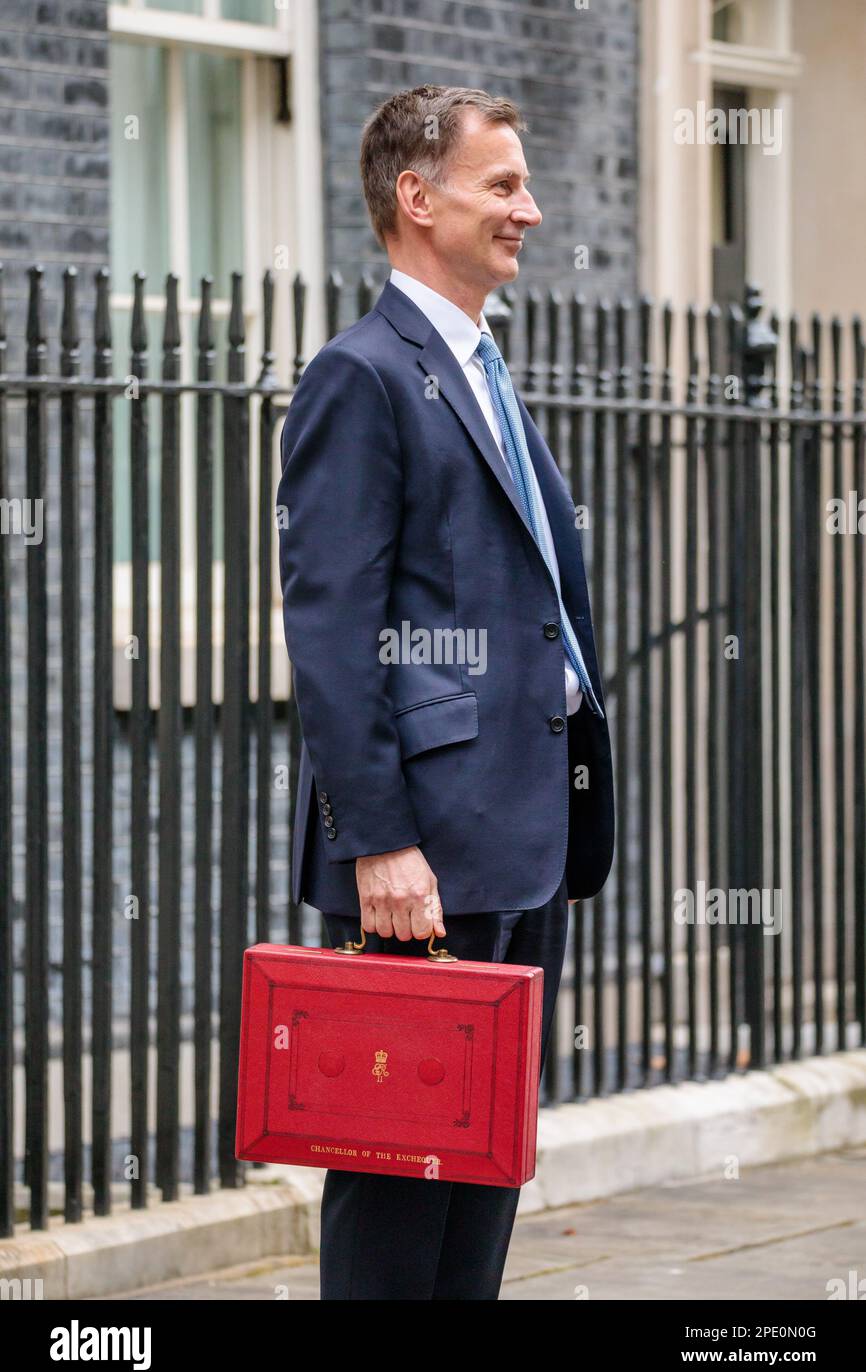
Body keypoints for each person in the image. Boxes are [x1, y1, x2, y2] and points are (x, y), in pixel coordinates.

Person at [276, 84, 615, 1300]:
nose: (529, 208)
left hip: (522, 836)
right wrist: (379, 843)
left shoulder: (479, 366)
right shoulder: (360, 376)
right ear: (417, 201)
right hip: (424, 861)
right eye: (502, 184)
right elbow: (330, 629)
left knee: (480, 1184)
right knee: (392, 1192)